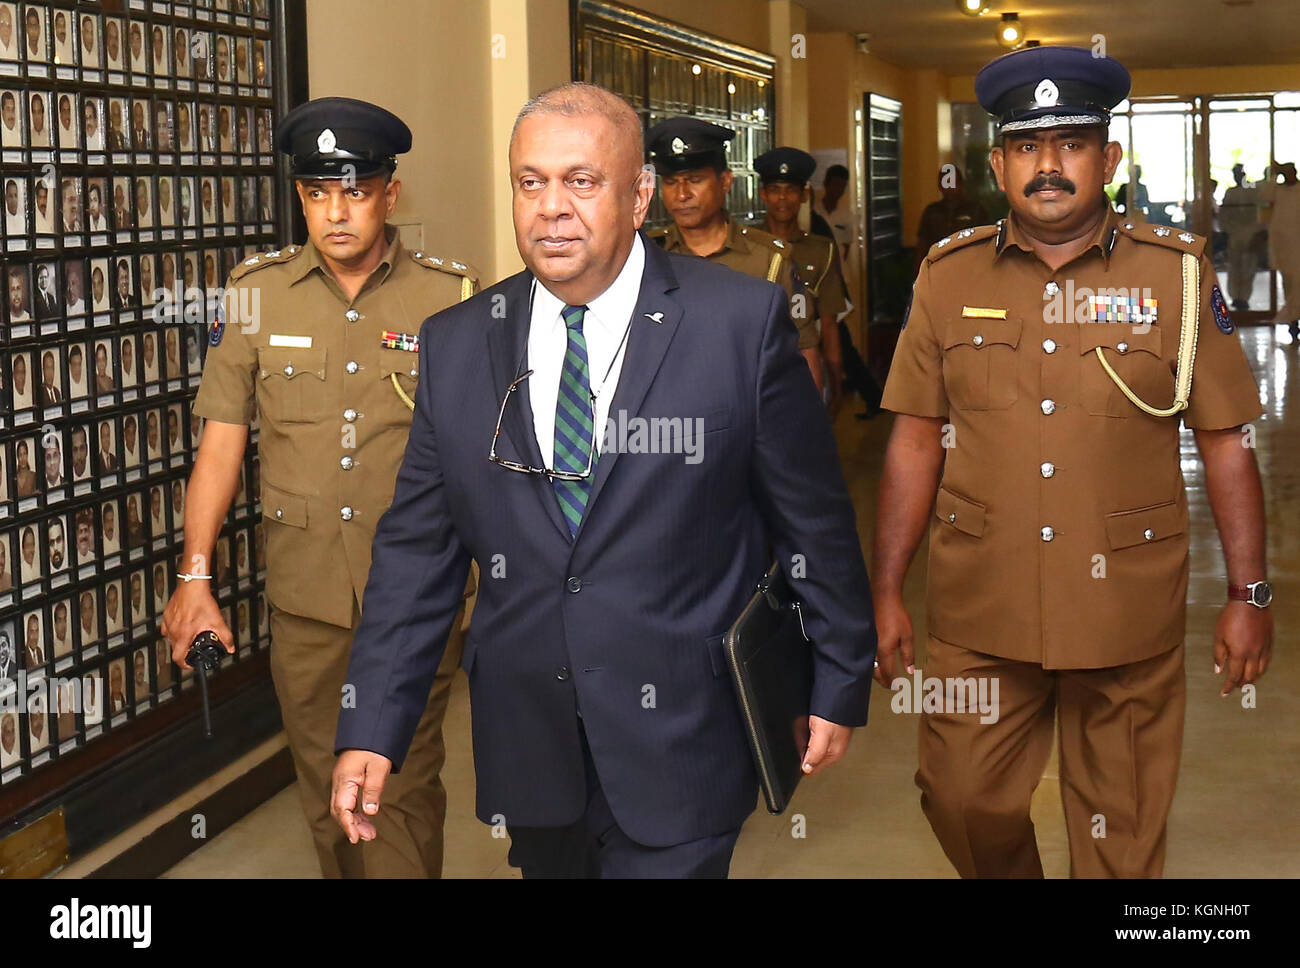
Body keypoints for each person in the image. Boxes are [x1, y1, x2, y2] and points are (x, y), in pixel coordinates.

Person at [330, 82, 875, 879]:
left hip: (684, 739)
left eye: (581, 181)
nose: (552, 207)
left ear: (639, 194)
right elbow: (417, 556)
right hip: (533, 745)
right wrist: (372, 724)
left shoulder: (739, 325)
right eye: (531, 182)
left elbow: (813, 522)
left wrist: (837, 675)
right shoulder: (456, 344)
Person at [873, 45, 1271, 879]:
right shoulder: (946, 279)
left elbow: (1226, 440)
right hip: (980, 605)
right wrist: (885, 591)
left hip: (1126, 610)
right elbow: (915, 437)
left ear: (1108, 158)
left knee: (1120, 841)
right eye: (1026, 146)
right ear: (999, 163)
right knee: (960, 798)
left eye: (1071, 144)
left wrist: (1247, 593)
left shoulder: (1179, 277)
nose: (1047, 166)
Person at [163, 97, 478, 880]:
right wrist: (193, 579)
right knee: (326, 798)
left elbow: (485, 456)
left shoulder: (452, 299)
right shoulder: (255, 294)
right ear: (298, 196)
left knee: (397, 793)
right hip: (305, 602)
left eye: (356, 190)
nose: (335, 212)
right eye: (316, 193)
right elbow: (221, 447)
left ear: (390, 194)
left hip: (413, 596)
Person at [644, 117, 823, 390]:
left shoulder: (769, 261)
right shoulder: (647, 256)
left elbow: (804, 350)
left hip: (750, 419)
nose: (681, 195)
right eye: (670, 182)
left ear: (725, 181)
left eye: (694, 180)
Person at [754, 146, 848, 416]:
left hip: (804, 368)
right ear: (763, 194)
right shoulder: (748, 245)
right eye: (774, 189)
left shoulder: (822, 250)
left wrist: (836, 379)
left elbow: (829, 323)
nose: (782, 198)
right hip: (754, 369)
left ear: (804, 195)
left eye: (791, 190)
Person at [914, 166, 990, 272]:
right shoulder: (932, 212)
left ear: (960, 184)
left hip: (968, 270)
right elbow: (922, 244)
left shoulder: (975, 211)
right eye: (945, 183)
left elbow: (986, 245)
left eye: (952, 182)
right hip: (938, 271)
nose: (949, 188)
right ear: (939, 186)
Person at [1258, 161, 1300, 338]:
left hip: (1297, 242)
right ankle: (1293, 319)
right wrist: (1274, 176)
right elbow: (1264, 197)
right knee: (1288, 282)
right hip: (1282, 243)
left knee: (1297, 281)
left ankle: (1293, 316)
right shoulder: (1278, 190)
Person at [1219, 164, 1260, 312]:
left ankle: (1244, 297)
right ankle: (1236, 297)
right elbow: (1224, 213)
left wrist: (1259, 231)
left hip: (1250, 230)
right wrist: (1225, 230)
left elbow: (1258, 212)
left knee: (1248, 266)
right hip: (1234, 232)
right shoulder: (1231, 193)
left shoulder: (1253, 192)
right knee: (1235, 265)